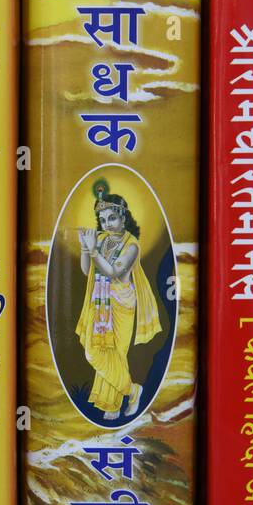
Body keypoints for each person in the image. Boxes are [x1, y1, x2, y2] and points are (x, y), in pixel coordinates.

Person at [75, 179, 161, 418]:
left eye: (112, 218)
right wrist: (85, 247)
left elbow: (114, 272)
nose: (107, 224)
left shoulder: (132, 245)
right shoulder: (101, 240)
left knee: (116, 354)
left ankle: (112, 406)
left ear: (123, 218)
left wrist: (92, 250)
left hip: (122, 303)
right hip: (99, 302)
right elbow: (87, 270)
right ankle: (132, 390)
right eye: (102, 220)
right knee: (94, 352)